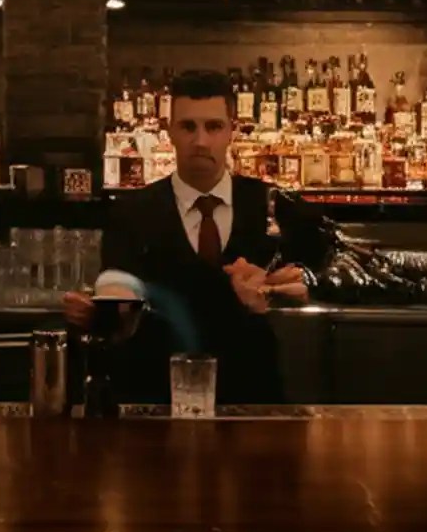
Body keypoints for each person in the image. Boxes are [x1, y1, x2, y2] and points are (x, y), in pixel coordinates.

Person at [62, 69, 332, 404]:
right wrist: (94, 314)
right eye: (188, 126)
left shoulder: (274, 205)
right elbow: (118, 294)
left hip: (255, 403)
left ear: (232, 130)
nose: (201, 140)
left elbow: (340, 269)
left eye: (214, 126)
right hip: (156, 403)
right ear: (170, 132)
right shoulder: (133, 211)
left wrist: (299, 281)